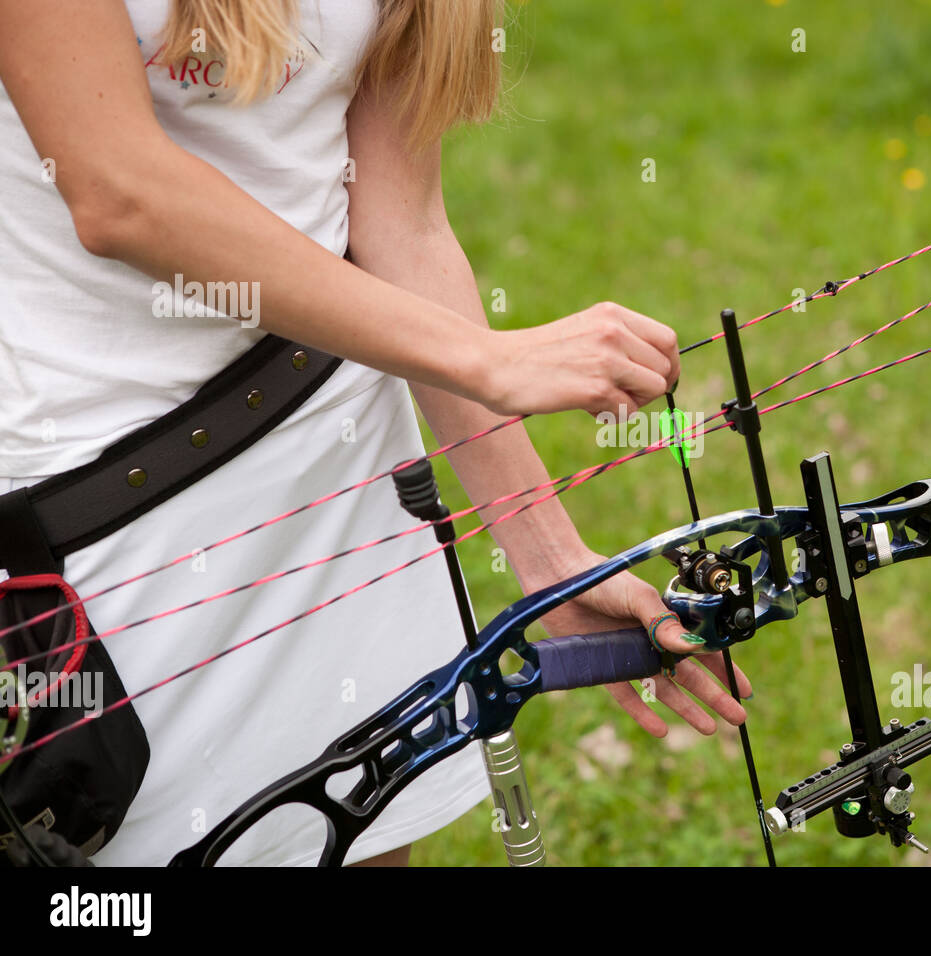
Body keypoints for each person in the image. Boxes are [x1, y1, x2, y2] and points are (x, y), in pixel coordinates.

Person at [0, 0, 749, 866]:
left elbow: (400, 221)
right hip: (101, 533)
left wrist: (548, 558)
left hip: (340, 473)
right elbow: (118, 191)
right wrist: (484, 356)